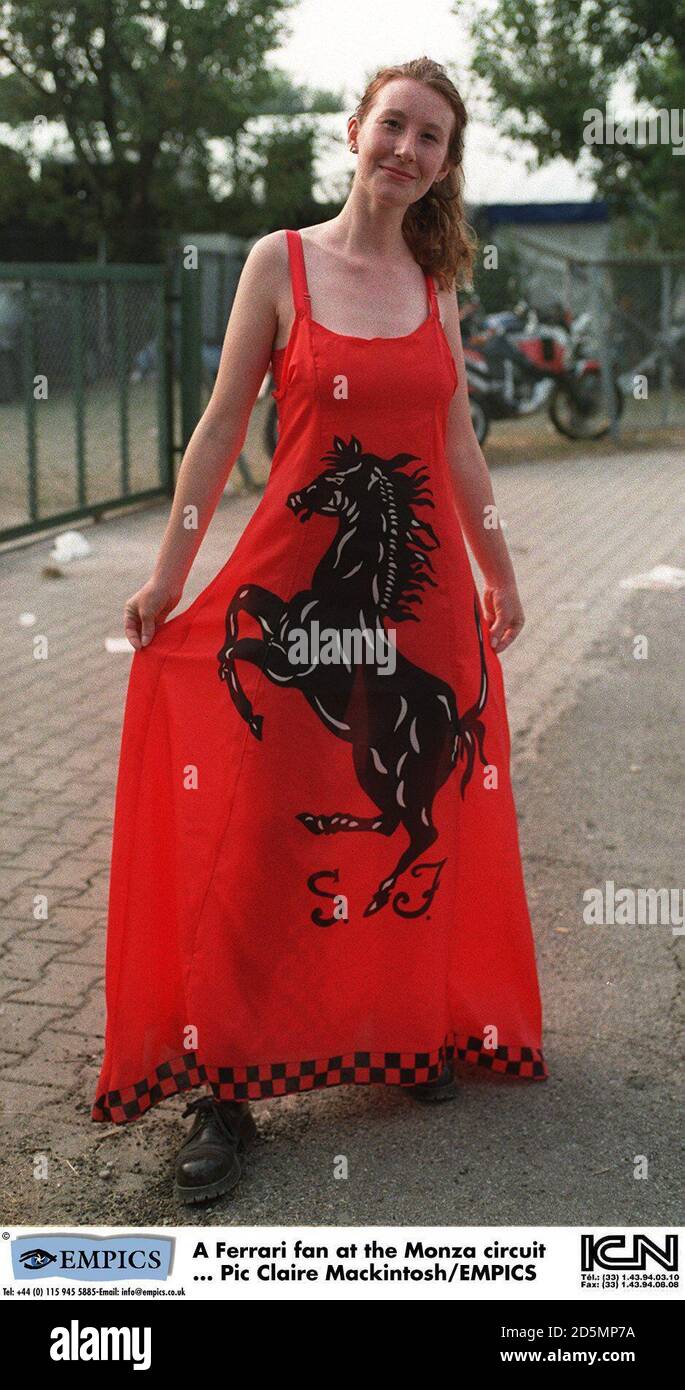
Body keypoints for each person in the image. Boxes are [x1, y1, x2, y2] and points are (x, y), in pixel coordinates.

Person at [92, 56, 547, 1206]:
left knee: (419, 819)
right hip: (291, 586)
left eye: (432, 137)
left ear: (445, 162)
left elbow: (457, 452)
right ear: (355, 129)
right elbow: (215, 433)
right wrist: (168, 575)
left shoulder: (438, 283)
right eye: (393, 123)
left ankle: (403, 1029)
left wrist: (499, 575)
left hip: (423, 611)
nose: (406, 147)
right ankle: (225, 1086)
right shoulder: (278, 263)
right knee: (254, 838)